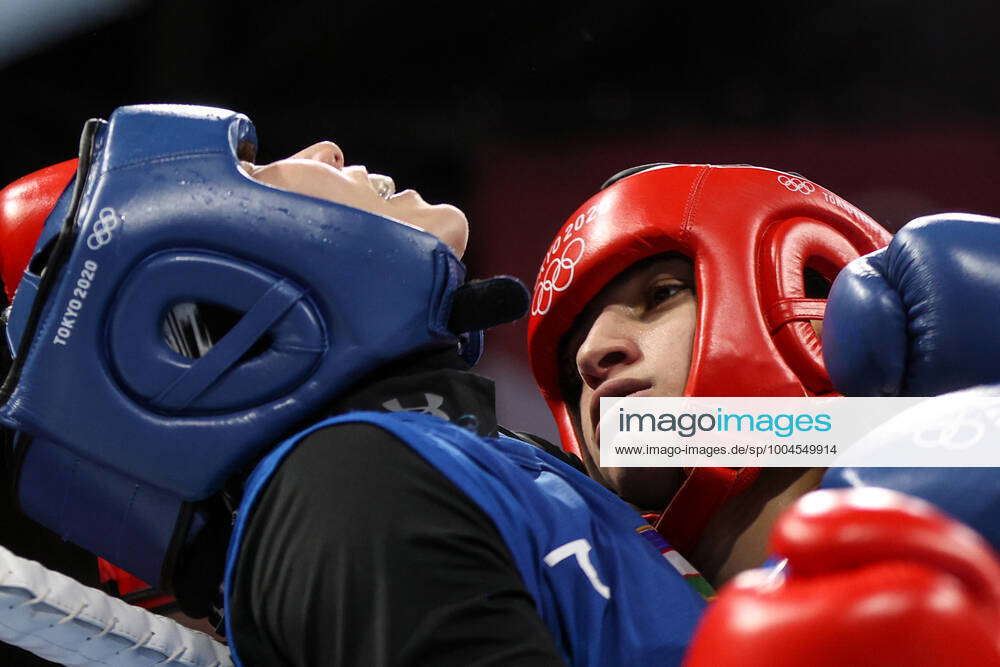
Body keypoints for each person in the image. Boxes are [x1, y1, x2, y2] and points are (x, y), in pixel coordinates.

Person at [0, 105, 710, 667]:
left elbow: (783, 440)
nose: (327, 151)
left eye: (662, 295)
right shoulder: (351, 489)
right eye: (260, 167)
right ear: (204, 269)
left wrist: (799, 384)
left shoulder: (489, 452)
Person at [526, 162, 1000, 663]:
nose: (590, 355)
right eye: (572, 351)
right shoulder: (570, 617)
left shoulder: (971, 493)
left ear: (813, 309)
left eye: (660, 295)